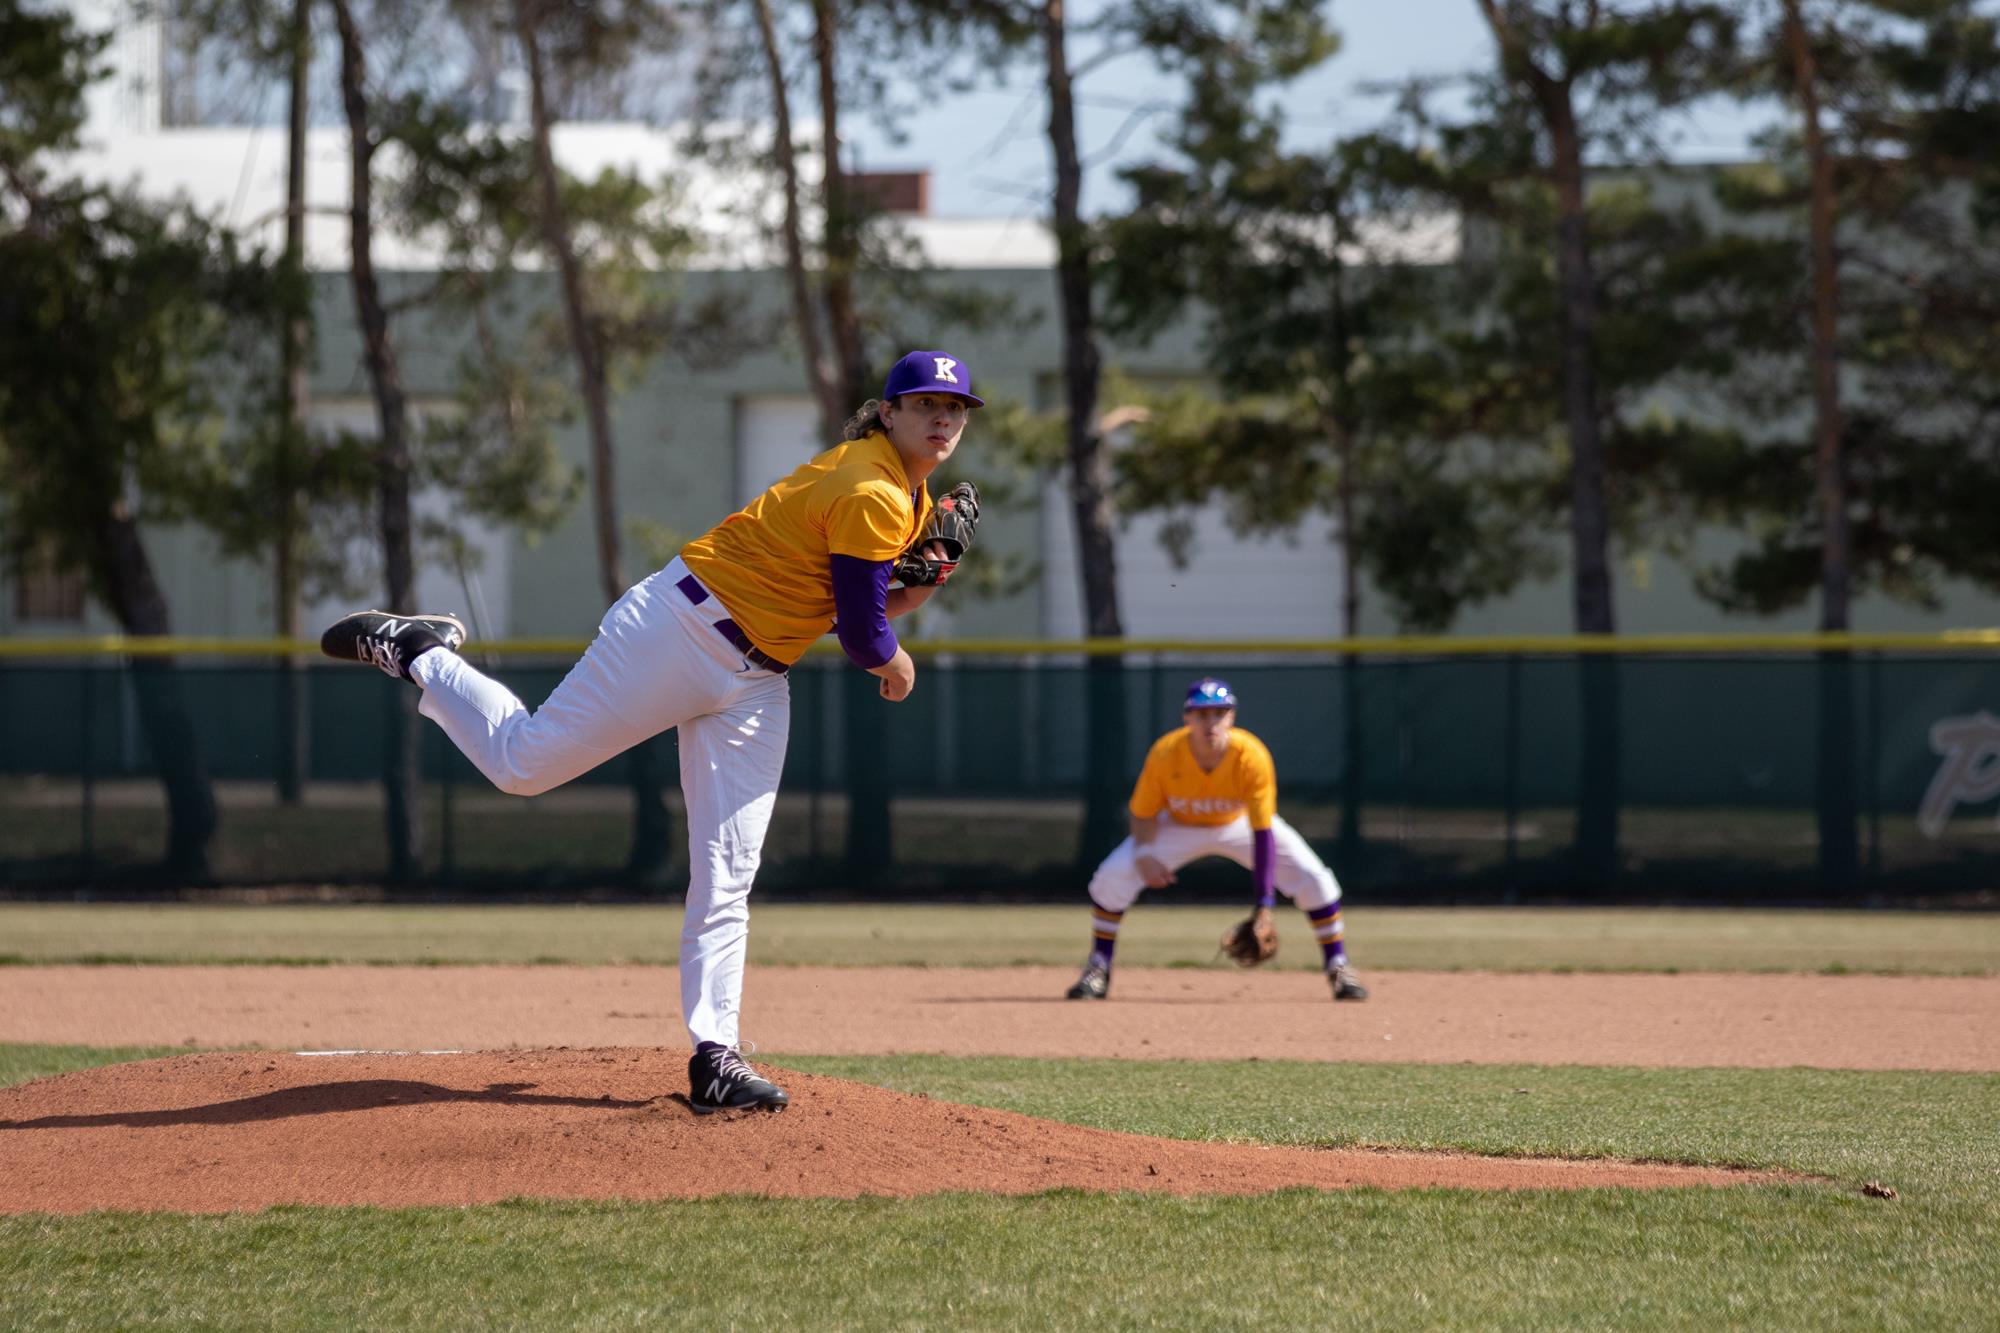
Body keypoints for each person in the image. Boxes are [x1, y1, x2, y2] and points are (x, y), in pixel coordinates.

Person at [320, 350, 984, 1113]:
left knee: (728, 870)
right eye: (926, 402)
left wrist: (929, 578)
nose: (942, 418)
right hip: (679, 630)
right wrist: (901, 666)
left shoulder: (904, 493)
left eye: (956, 408)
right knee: (522, 764)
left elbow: (848, 611)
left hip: (758, 677)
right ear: (887, 412)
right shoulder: (871, 488)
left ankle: (717, 1056)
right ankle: (419, 652)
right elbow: (867, 641)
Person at [1064, 676, 1368, 1004]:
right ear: (1187, 718)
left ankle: (1338, 966)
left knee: (1314, 879)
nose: (1211, 722)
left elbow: (1262, 832)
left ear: (1232, 716)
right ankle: (1099, 965)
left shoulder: (1251, 755)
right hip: (1177, 826)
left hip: (1238, 825)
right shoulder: (1166, 753)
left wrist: (1264, 903)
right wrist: (1145, 852)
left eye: (1219, 712)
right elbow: (1142, 813)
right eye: (1201, 714)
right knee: (1112, 875)